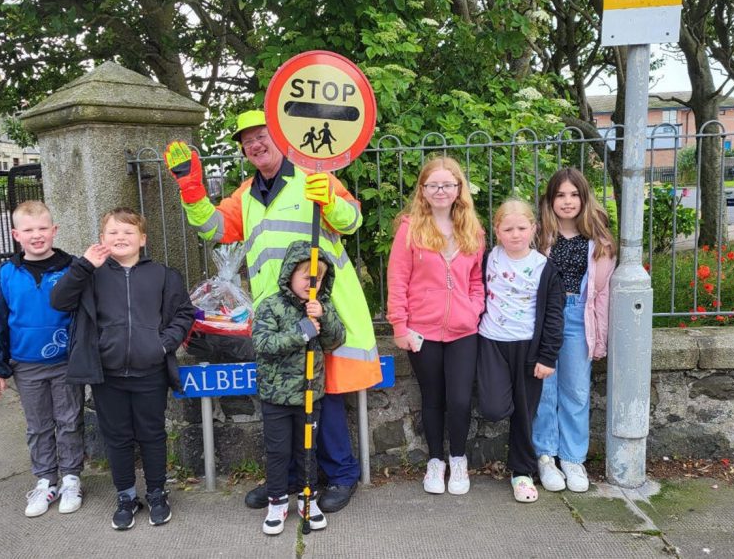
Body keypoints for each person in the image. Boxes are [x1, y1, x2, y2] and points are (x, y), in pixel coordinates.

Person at [164, 109, 381, 513]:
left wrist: (329, 198)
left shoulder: (314, 175)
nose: (256, 144)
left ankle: (341, 475)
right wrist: (192, 192)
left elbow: (352, 221)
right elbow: (214, 229)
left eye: (262, 135)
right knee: (284, 402)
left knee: (325, 395)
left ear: (282, 137)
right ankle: (289, 480)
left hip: (318, 304)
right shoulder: (246, 194)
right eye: (247, 141)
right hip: (276, 316)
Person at [50, 207, 195, 530]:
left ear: (142, 239)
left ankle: (157, 493)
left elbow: (184, 313)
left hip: (150, 372)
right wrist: (84, 265)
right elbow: (59, 301)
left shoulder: (162, 275)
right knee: (116, 437)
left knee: (152, 435)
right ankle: (126, 495)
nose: (120, 238)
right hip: (108, 374)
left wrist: (162, 344)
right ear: (101, 239)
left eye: (128, 232)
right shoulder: (90, 275)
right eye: (113, 233)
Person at [0, 200, 85, 518]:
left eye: (42, 228)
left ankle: (70, 478)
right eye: (28, 230)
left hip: (67, 361)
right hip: (26, 364)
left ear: (54, 230)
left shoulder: (74, 268)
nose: (36, 235)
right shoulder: (4, 277)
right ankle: (45, 480)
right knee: (38, 426)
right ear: (15, 234)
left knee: (69, 421)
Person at [386, 157, 485, 495]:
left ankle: (458, 460)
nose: (440, 191)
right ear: (423, 191)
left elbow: (476, 281)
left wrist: (473, 310)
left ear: (459, 189)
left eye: (448, 185)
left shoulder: (473, 230)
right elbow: (398, 280)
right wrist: (399, 325)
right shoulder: (410, 229)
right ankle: (435, 462)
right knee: (432, 398)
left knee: (458, 399)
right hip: (422, 331)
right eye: (433, 185)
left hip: (463, 331)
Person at [252, 241, 346, 535]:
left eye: (318, 278)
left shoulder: (321, 307)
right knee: (279, 452)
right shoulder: (271, 306)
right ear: (290, 274)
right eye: (307, 276)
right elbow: (263, 345)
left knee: (308, 449)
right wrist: (301, 332)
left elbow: (335, 340)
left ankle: (308, 499)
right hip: (277, 398)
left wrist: (324, 317)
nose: (312, 283)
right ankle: (277, 502)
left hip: (309, 396)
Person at [532, 168, 617, 493]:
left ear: (584, 198)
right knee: (545, 392)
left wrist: (601, 338)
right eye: (560, 195)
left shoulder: (600, 243)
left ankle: (572, 458)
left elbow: (604, 294)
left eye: (574, 195)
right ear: (550, 200)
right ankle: (545, 457)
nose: (567, 202)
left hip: (580, 319)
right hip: (546, 320)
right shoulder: (539, 237)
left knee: (576, 392)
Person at [476, 199, 564, 503]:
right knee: (493, 407)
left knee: (525, 414)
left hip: (529, 348)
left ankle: (521, 472)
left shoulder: (544, 268)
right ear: (497, 231)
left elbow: (554, 314)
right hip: (491, 343)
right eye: (508, 228)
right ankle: (514, 413)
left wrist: (547, 355)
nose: (515, 234)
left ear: (534, 229)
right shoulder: (488, 260)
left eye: (522, 228)